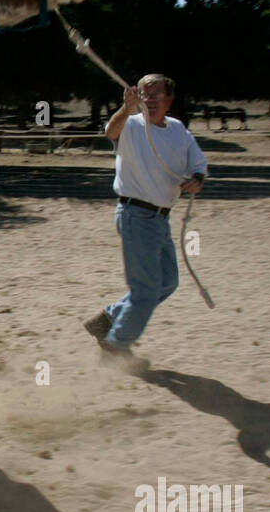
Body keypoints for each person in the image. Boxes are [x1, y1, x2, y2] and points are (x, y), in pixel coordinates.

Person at [84, 74, 207, 365]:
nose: (149, 98)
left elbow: (197, 162)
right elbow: (110, 132)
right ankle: (116, 347)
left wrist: (197, 179)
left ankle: (108, 319)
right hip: (136, 215)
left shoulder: (177, 130)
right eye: (144, 93)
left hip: (160, 219)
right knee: (146, 291)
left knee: (167, 282)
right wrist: (125, 110)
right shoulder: (133, 125)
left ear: (169, 100)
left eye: (155, 93)